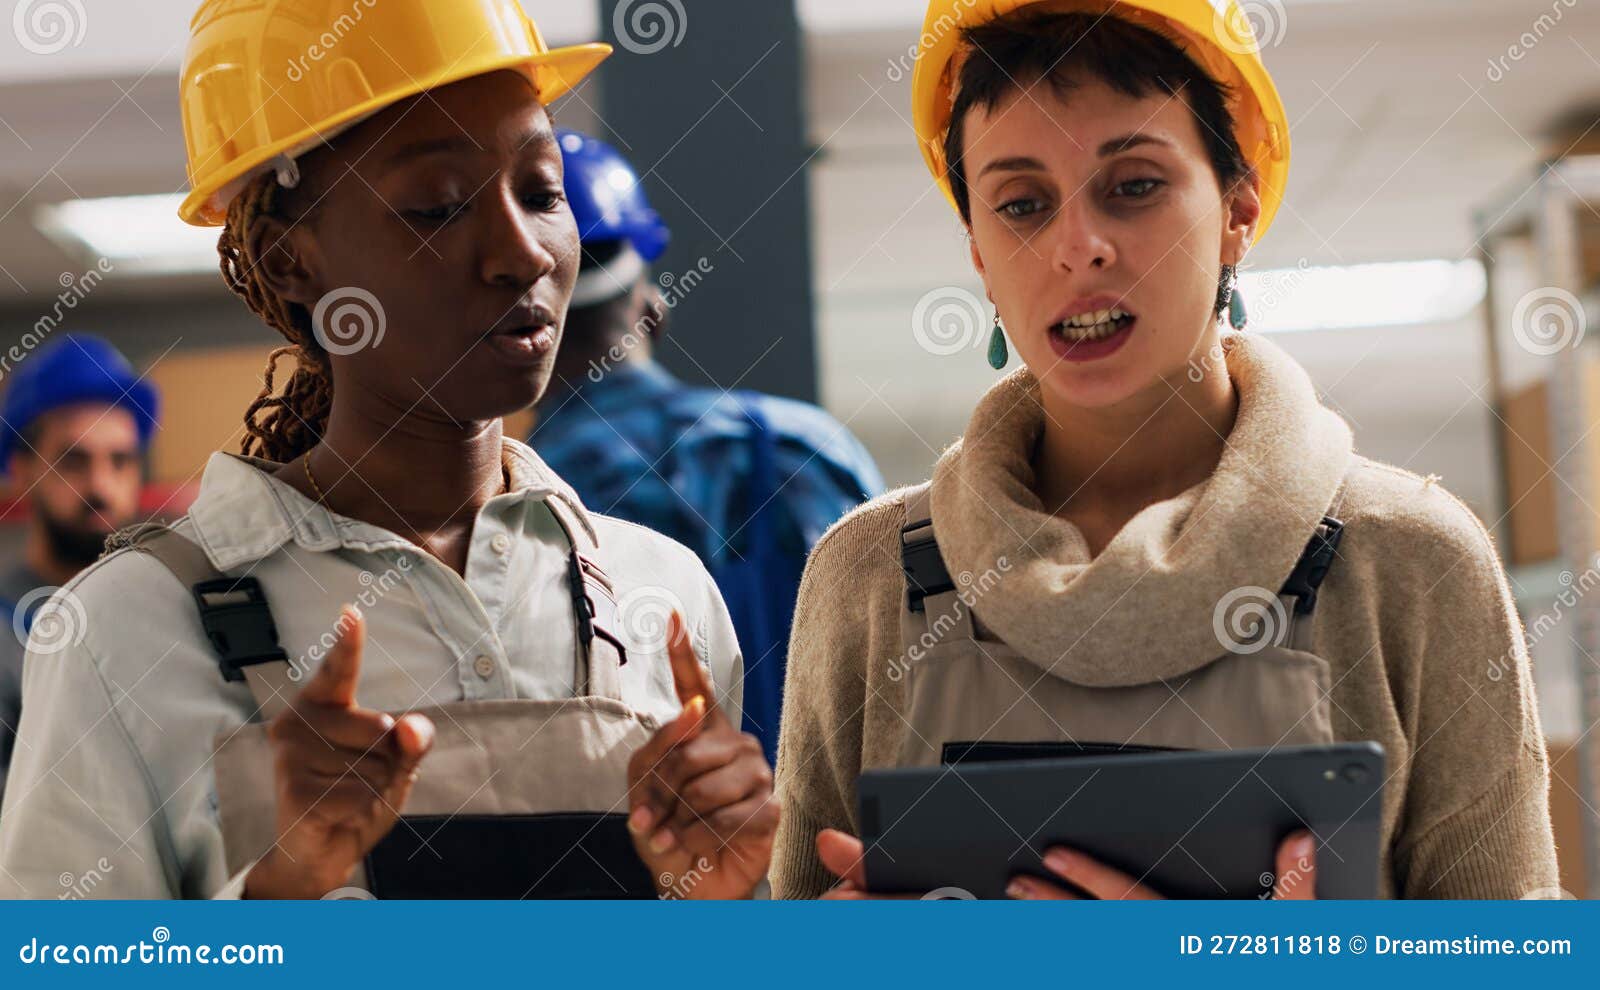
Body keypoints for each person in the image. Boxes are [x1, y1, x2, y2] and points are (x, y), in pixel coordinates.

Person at [772, 0, 1558, 900]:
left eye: (1134, 185)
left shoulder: (1411, 559)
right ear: (981, 259)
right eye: (1022, 204)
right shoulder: (869, 576)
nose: (1079, 248)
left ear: (1236, 210)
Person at [0, 0, 776, 899]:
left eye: (541, 190)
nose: (521, 253)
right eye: (438, 208)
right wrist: (278, 895)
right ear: (293, 262)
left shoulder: (664, 594)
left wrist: (721, 909)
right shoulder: (123, 632)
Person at [532, 130, 884, 764]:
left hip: (652, 853)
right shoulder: (808, 445)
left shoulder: (527, 498)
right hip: (844, 849)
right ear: (653, 314)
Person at [0, 334, 157, 805]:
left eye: (121, 461)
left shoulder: (170, 612)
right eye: (74, 460)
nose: (101, 487)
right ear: (23, 470)